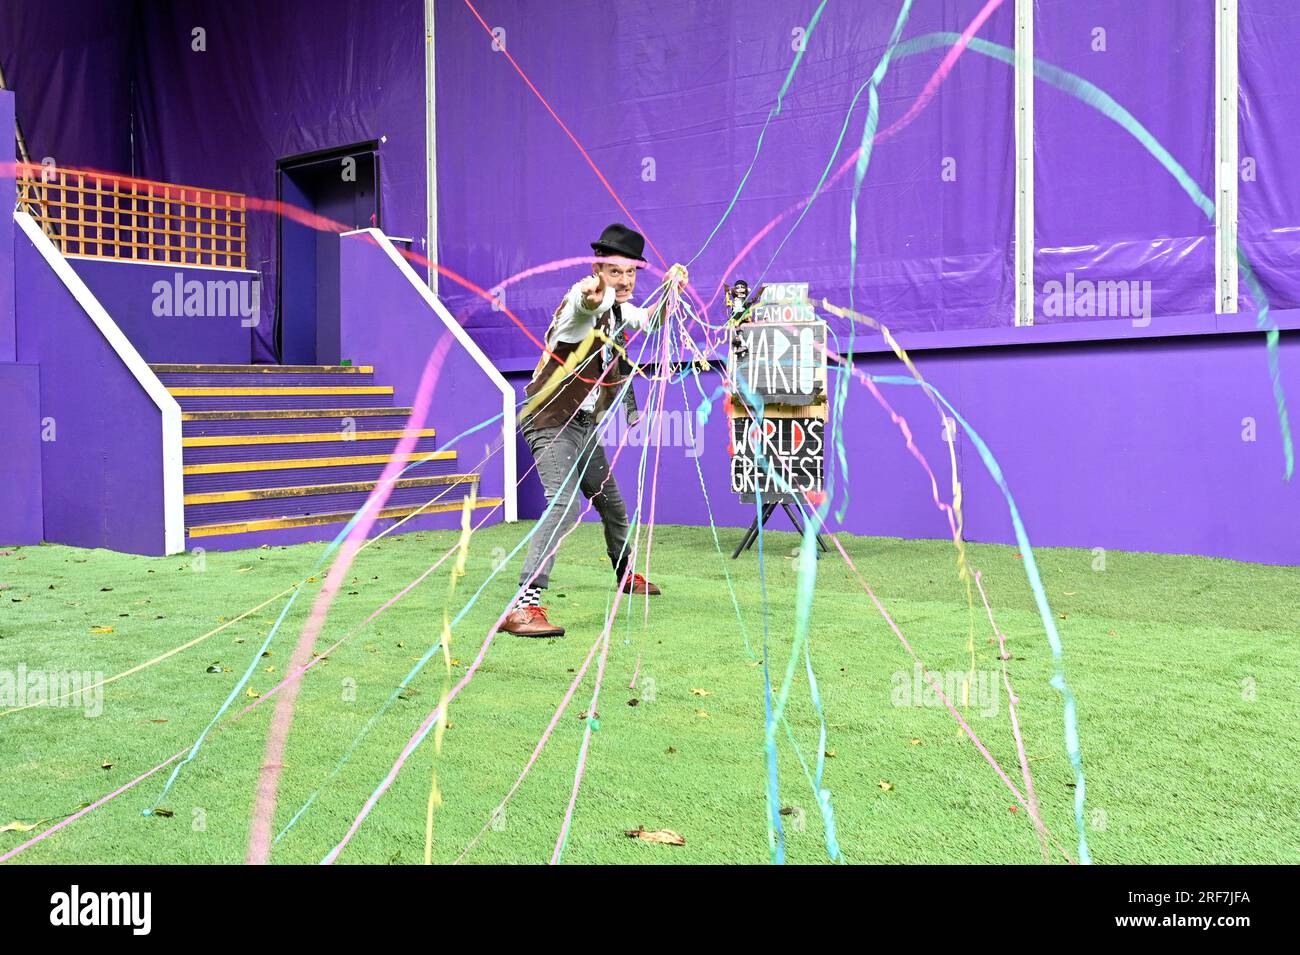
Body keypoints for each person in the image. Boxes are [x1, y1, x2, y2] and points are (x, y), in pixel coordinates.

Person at [498, 223, 684, 637]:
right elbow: (580, 309)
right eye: (614, 272)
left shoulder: (619, 308)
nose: (624, 280)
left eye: (631, 273)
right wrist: (589, 299)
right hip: (549, 420)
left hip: (583, 425)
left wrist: (670, 293)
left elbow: (649, 322)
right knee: (561, 506)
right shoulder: (581, 299)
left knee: (613, 506)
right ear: (598, 269)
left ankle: (624, 575)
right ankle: (523, 607)